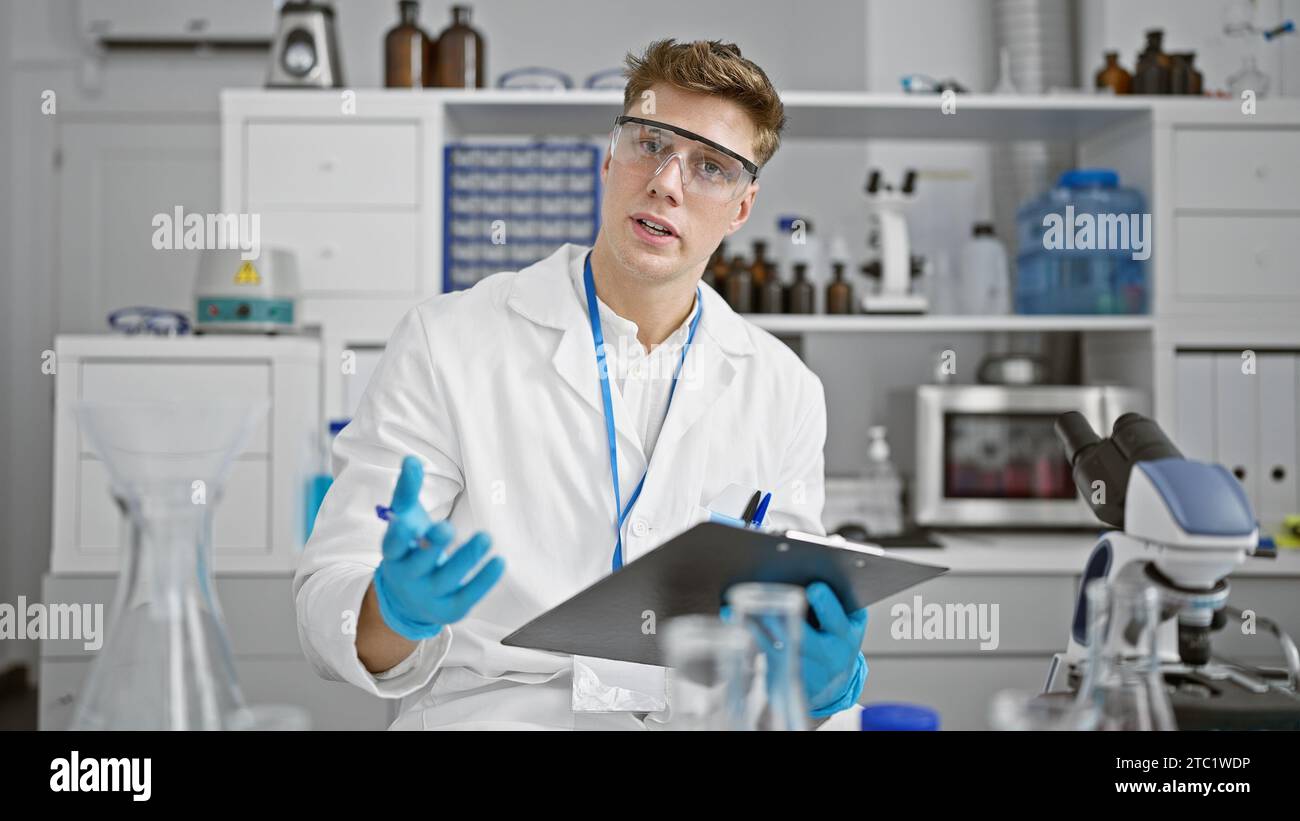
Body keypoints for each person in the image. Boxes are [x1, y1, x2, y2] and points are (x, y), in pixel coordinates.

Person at [293, 38, 868, 730]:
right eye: (651, 143)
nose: (667, 182)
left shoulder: (785, 388)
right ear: (609, 158)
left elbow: (785, 628)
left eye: (710, 167)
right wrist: (393, 607)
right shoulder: (446, 341)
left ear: (742, 207)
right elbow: (328, 600)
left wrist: (825, 683)